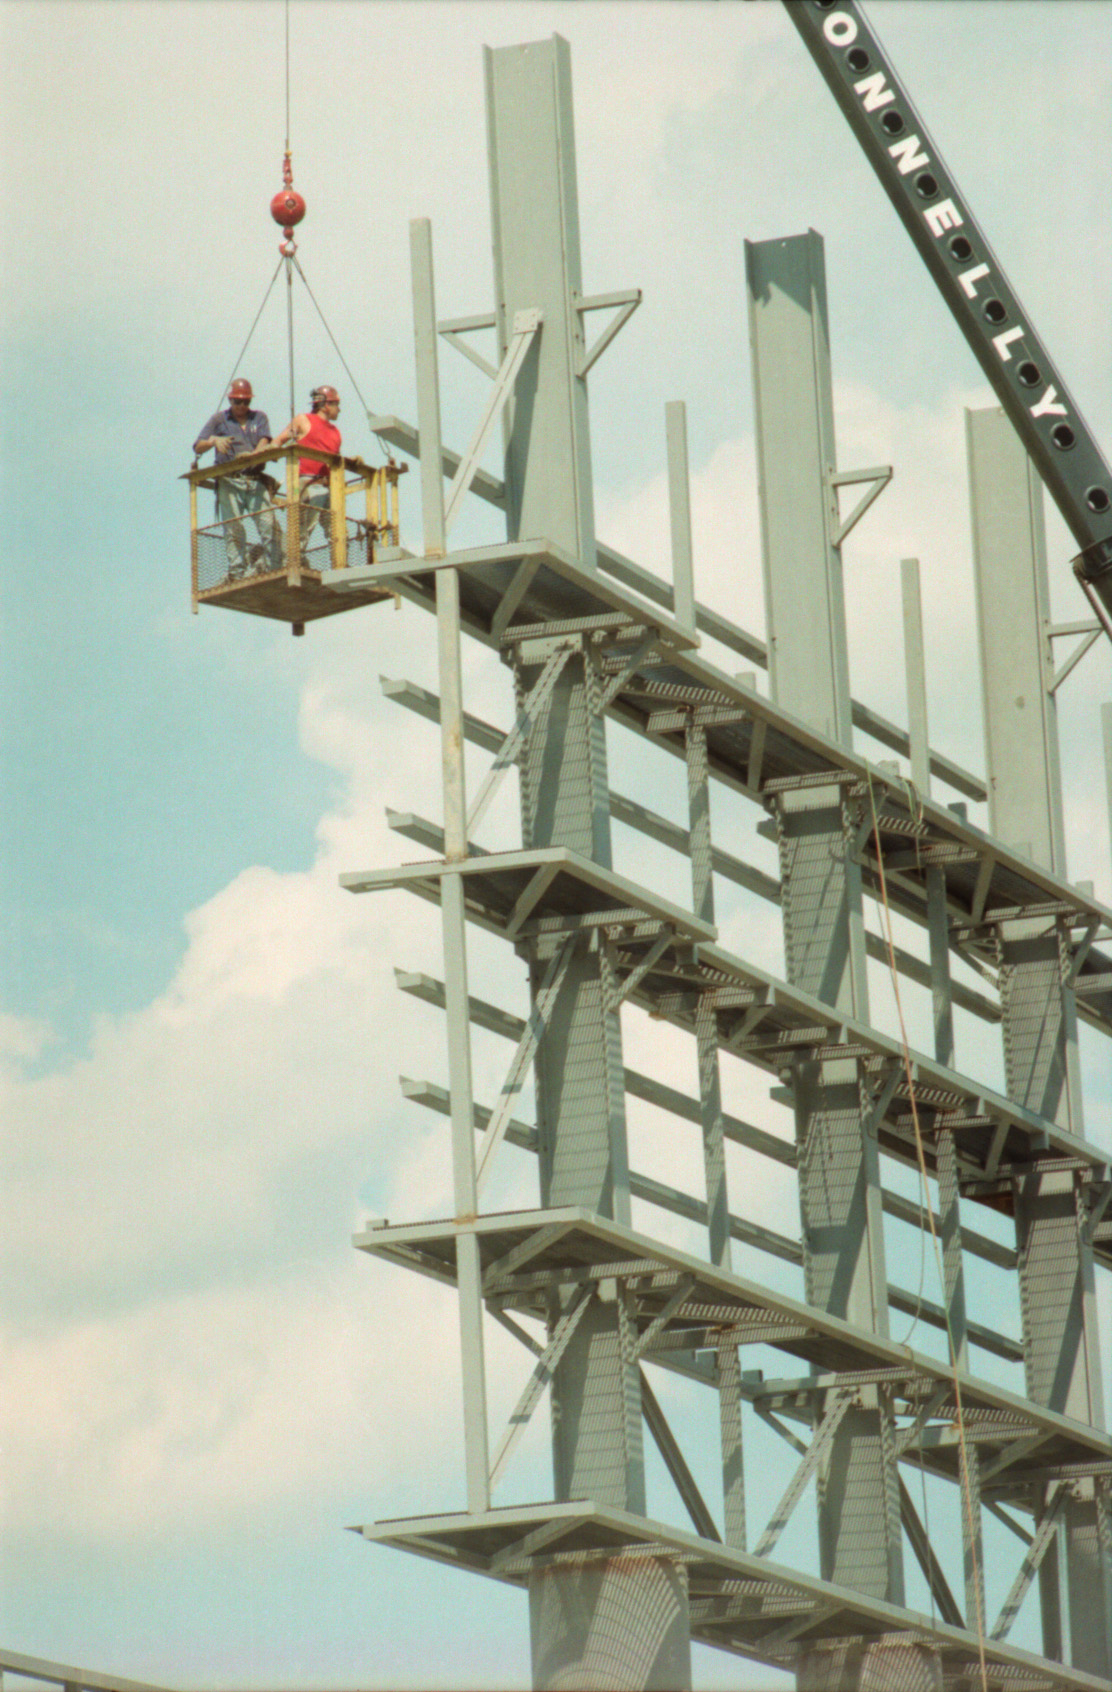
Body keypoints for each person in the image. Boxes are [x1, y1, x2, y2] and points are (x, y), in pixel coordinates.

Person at [193, 379, 282, 578]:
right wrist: (213, 441)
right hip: (229, 481)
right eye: (238, 402)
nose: (242, 407)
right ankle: (237, 571)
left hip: (254, 478)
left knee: (268, 525)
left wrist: (254, 455)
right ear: (230, 400)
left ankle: (273, 568)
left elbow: (264, 440)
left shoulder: (259, 418)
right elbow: (198, 446)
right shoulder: (219, 420)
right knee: (233, 528)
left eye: (246, 402)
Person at [273, 386, 342, 563]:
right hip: (308, 483)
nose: (339, 408)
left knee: (338, 530)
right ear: (326, 405)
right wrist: (264, 456)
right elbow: (279, 441)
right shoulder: (304, 421)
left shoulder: (336, 433)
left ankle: (341, 563)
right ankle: (290, 562)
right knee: (302, 528)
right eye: (336, 404)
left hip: (328, 485)